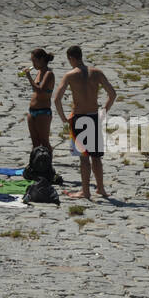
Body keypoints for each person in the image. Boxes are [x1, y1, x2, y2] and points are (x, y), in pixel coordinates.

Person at [52, 45, 117, 199]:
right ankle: (100, 188)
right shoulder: (97, 73)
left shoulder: (70, 75)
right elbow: (112, 94)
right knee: (96, 157)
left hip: (79, 118)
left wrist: (64, 118)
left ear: (71, 58)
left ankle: (85, 191)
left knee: (84, 157)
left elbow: (57, 99)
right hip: (94, 116)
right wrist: (103, 111)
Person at [22, 48, 56, 148]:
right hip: (32, 111)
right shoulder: (39, 72)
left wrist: (29, 77)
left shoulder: (48, 74)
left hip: (43, 112)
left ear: (41, 59)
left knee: (44, 142)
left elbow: (40, 90)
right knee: (35, 143)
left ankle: (48, 163)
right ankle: (34, 163)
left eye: (34, 61)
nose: (33, 64)